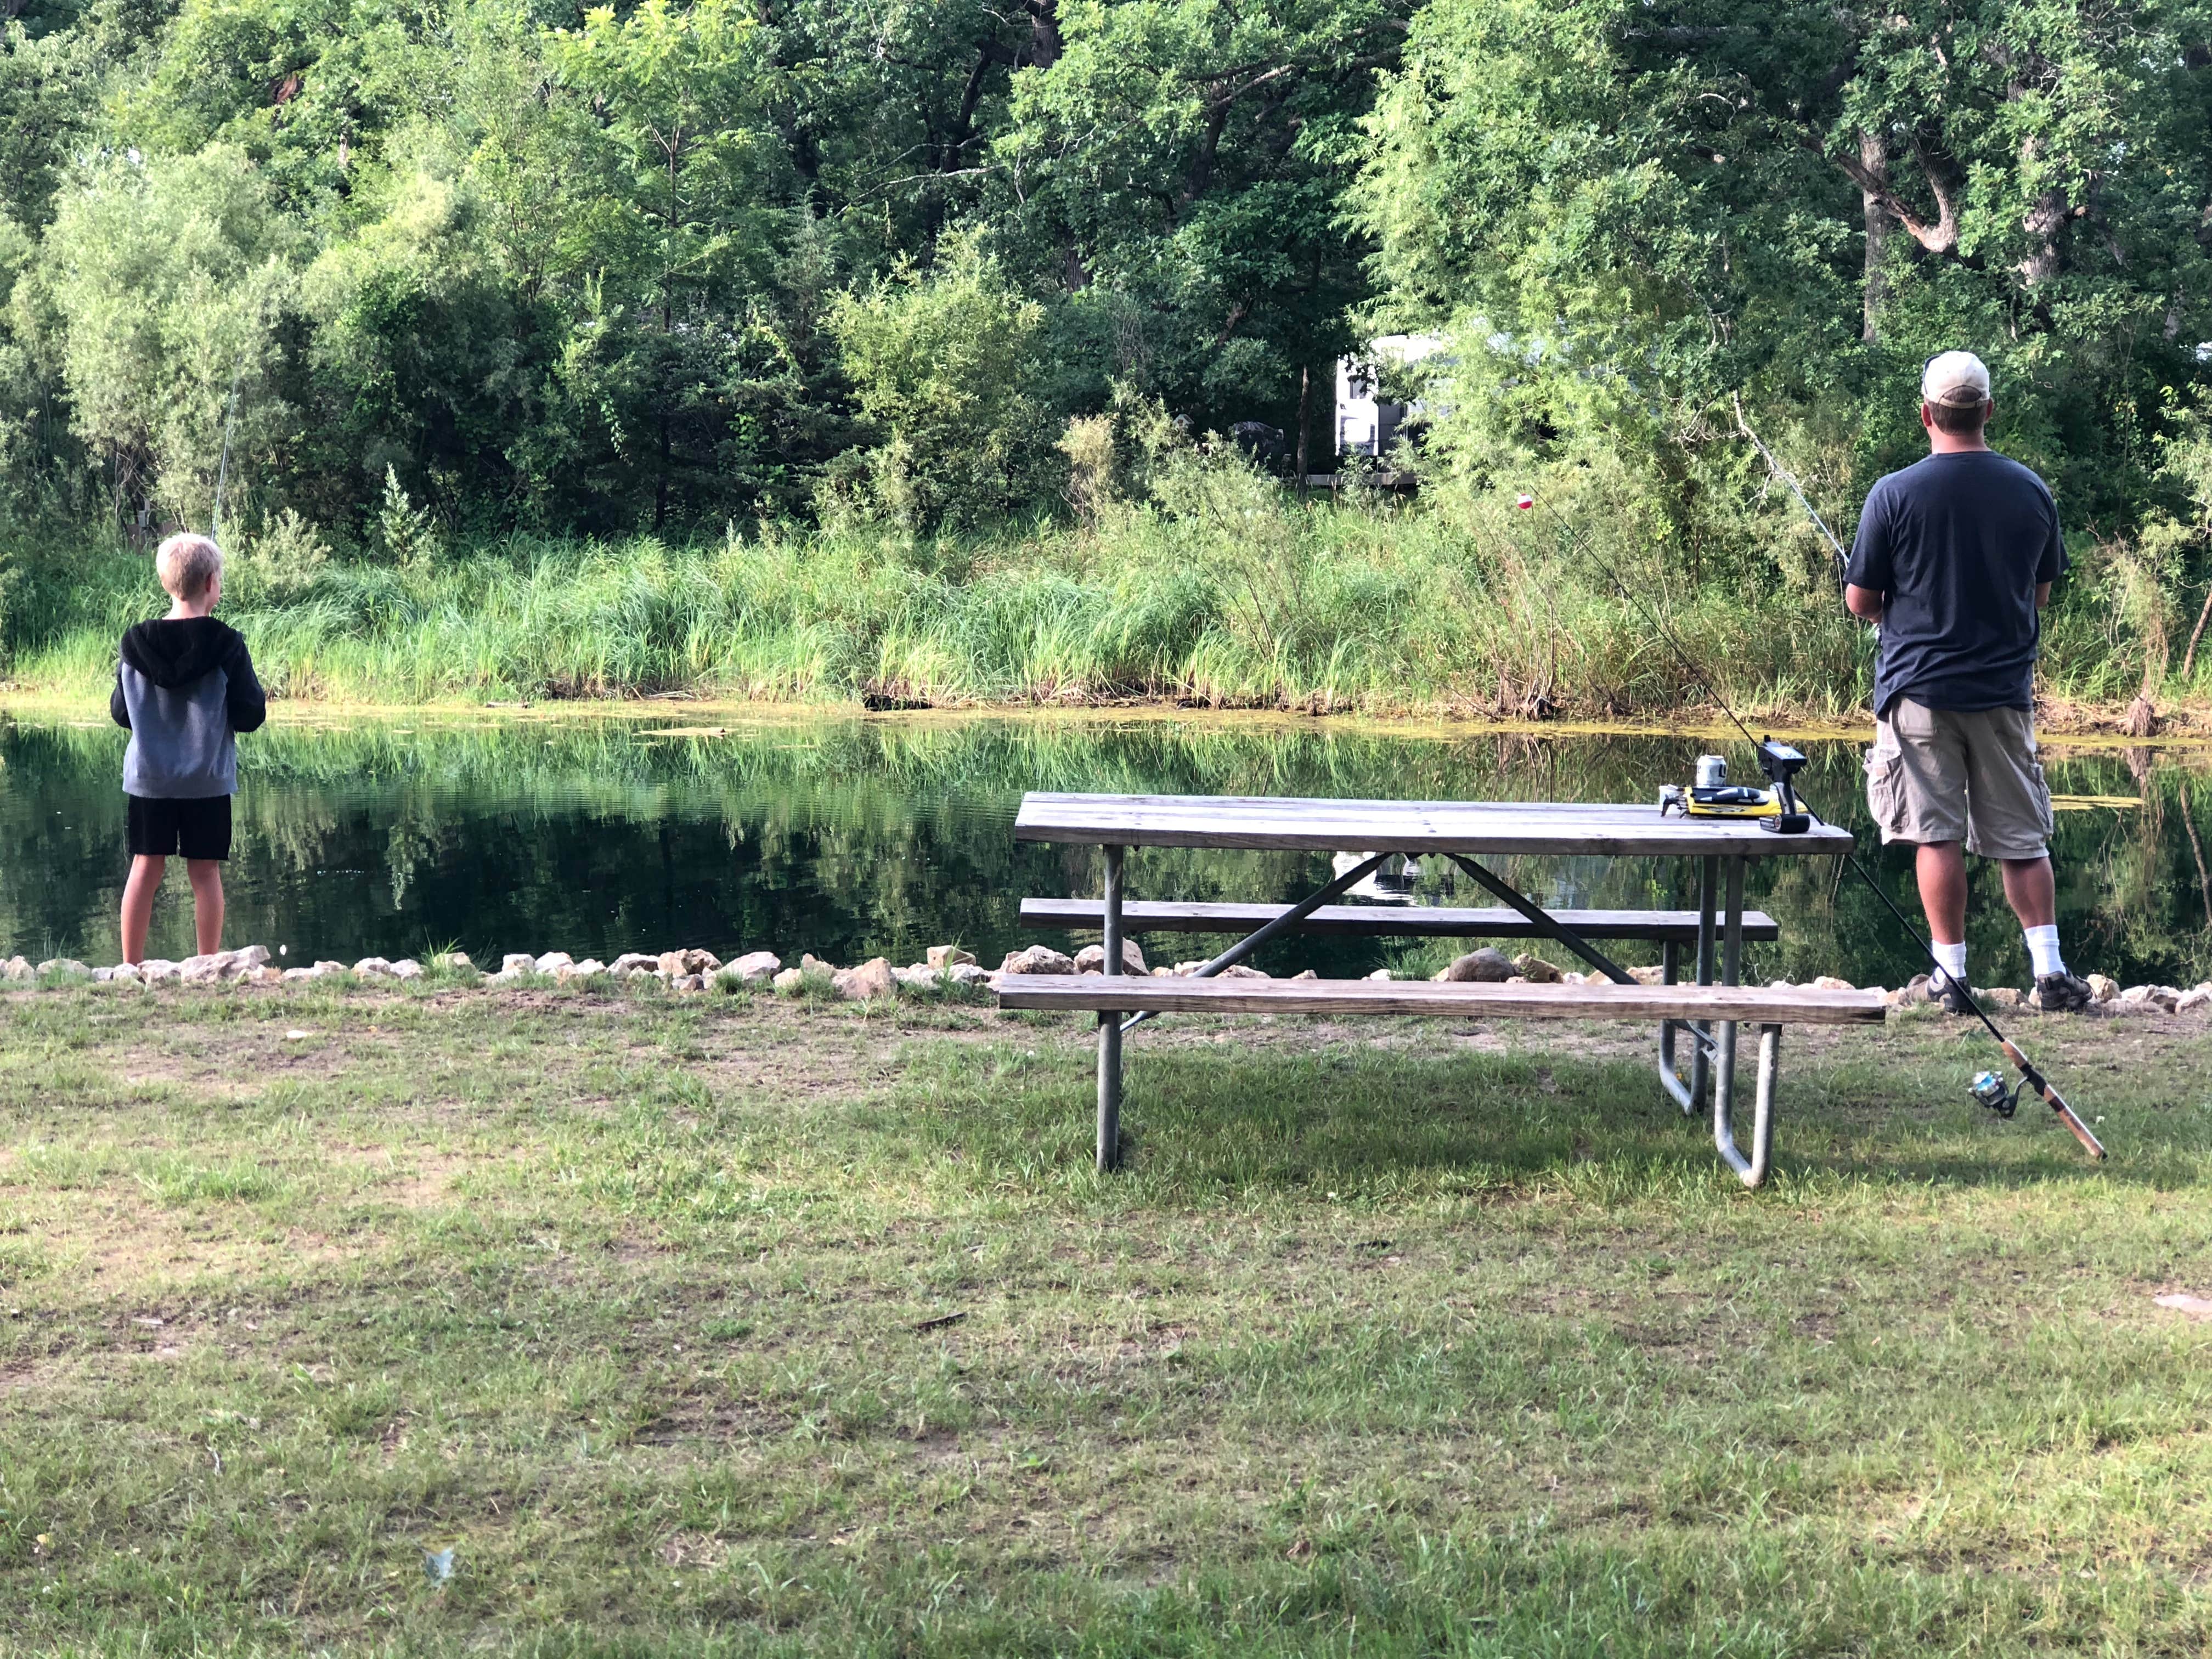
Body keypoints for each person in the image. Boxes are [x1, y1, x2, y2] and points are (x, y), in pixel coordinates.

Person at [1843, 351, 2092, 1013]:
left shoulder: (1892, 493)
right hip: (2004, 692)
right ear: (1988, 411)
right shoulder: (2030, 490)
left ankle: (1950, 978)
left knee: (1936, 834)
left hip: (1918, 692)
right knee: (2021, 836)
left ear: (1926, 414)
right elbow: (2038, 595)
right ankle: (2051, 973)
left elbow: (1861, 600)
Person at [110, 532, 267, 963]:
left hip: (149, 779)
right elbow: (251, 714)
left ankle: (130, 967)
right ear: (212, 583)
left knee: (145, 866)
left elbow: (121, 714)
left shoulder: (135, 643)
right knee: (205, 872)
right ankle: (206, 965)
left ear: (166, 583)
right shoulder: (227, 644)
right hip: (207, 780)